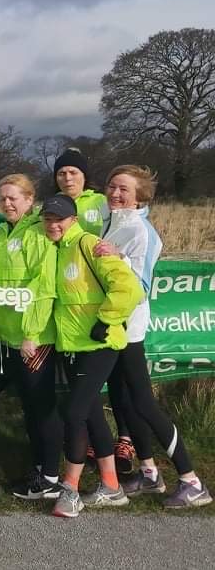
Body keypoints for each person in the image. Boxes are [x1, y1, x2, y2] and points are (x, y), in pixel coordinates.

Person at [96, 165, 211, 508]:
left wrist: (117, 258)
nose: (115, 194)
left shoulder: (142, 232)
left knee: (143, 403)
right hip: (111, 325)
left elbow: (141, 285)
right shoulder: (112, 220)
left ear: (141, 196)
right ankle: (149, 475)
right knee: (121, 399)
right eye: (112, 187)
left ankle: (192, 481)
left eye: (124, 190)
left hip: (128, 327)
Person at [40, 194, 143, 519]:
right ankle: (111, 487)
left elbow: (129, 288)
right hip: (72, 347)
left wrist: (106, 319)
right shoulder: (55, 250)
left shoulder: (89, 244)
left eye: (60, 219)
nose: (53, 224)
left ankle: (70, 490)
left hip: (99, 344)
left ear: (73, 219)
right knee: (93, 416)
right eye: (48, 219)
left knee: (74, 413)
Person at [0, 174, 63, 500]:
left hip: (31, 339)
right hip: (1, 337)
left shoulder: (38, 235)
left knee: (38, 407)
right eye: (3, 198)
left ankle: (49, 475)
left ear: (30, 200)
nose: (7, 203)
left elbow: (43, 288)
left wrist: (32, 334)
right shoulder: (0, 234)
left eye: (14, 197)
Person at [53, 147, 107, 235]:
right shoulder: (49, 205)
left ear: (84, 176)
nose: (67, 178)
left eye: (73, 172)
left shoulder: (102, 202)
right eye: (62, 174)